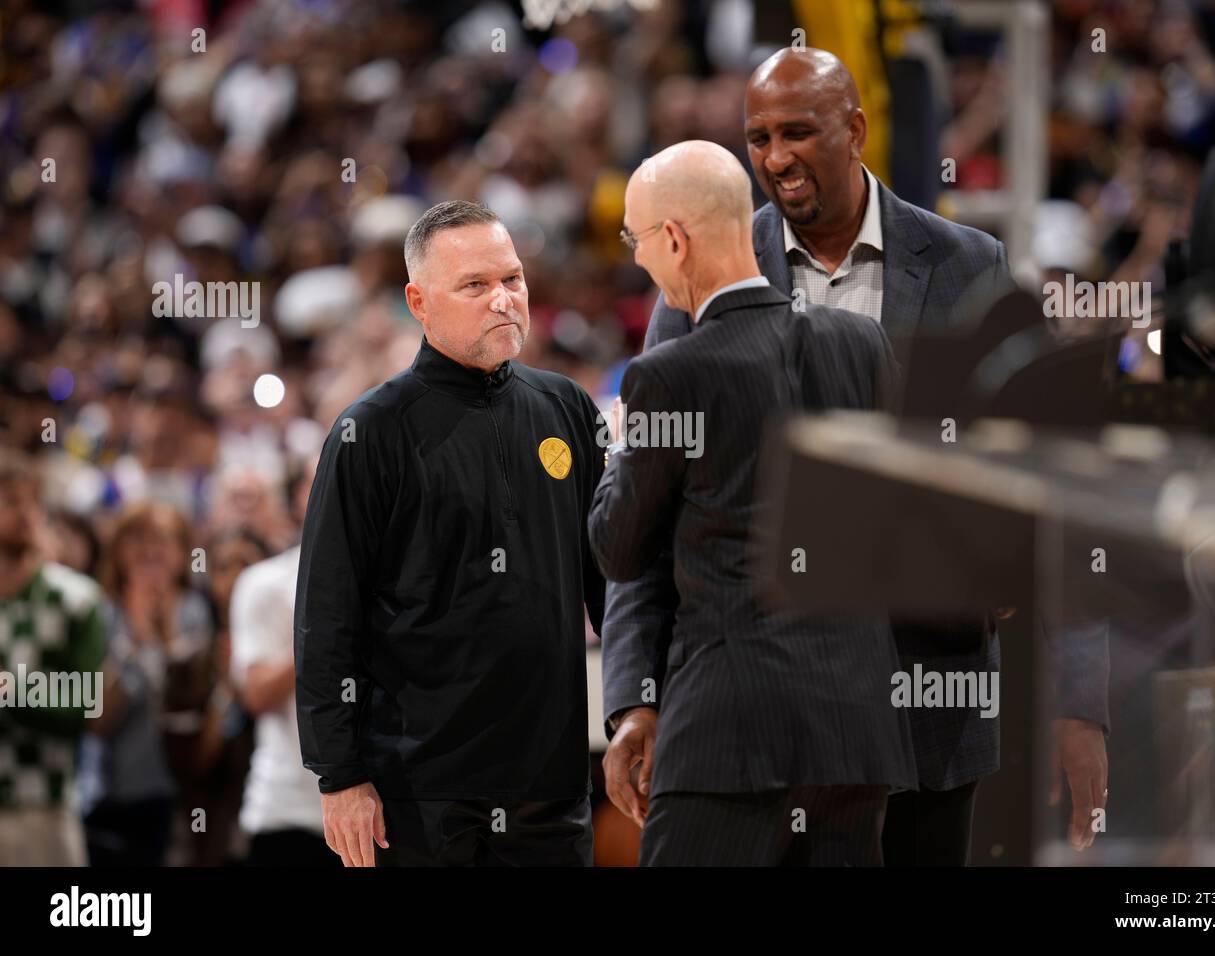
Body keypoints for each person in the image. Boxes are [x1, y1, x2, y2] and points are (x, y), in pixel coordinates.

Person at [601, 47, 1109, 865]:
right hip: (750, 732)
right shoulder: (701, 269)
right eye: (758, 137)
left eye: (798, 132)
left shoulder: (968, 266)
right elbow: (655, 509)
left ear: (857, 131)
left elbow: (1044, 484)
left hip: (929, 707)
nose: (775, 158)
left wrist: (1079, 700)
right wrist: (635, 695)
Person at [590, 140, 916, 865]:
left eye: (638, 240)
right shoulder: (862, 345)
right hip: (856, 734)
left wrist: (619, 445)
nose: (640, 260)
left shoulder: (667, 377)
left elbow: (619, 546)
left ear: (673, 239)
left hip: (729, 738)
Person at [294, 200, 606, 867]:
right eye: (475, 285)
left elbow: (611, 581)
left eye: (512, 279)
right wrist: (340, 775)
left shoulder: (568, 408)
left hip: (551, 788)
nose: (503, 300)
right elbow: (327, 613)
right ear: (418, 301)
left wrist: (641, 705)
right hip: (419, 794)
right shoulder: (369, 431)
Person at [82, 500, 215, 867]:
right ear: (118, 549)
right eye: (138, 538)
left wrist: (167, 634)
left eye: (164, 539)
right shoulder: (97, 612)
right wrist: (136, 637)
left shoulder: (195, 611)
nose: (151, 551)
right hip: (112, 792)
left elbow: (193, 705)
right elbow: (96, 719)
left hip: (184, 793)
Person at [0, 450, 107, 866]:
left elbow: (83, 703)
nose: (25, 514)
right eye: (11, 501)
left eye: (32, 502)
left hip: (41, 802)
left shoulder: (73, 598)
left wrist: (9, 690)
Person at [230, 460, 338, 866]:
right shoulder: (263, 582)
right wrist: (328, 634)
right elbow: (255, 693)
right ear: (298, 497)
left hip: (381, 811)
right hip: (288, 813)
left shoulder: (400, 577)